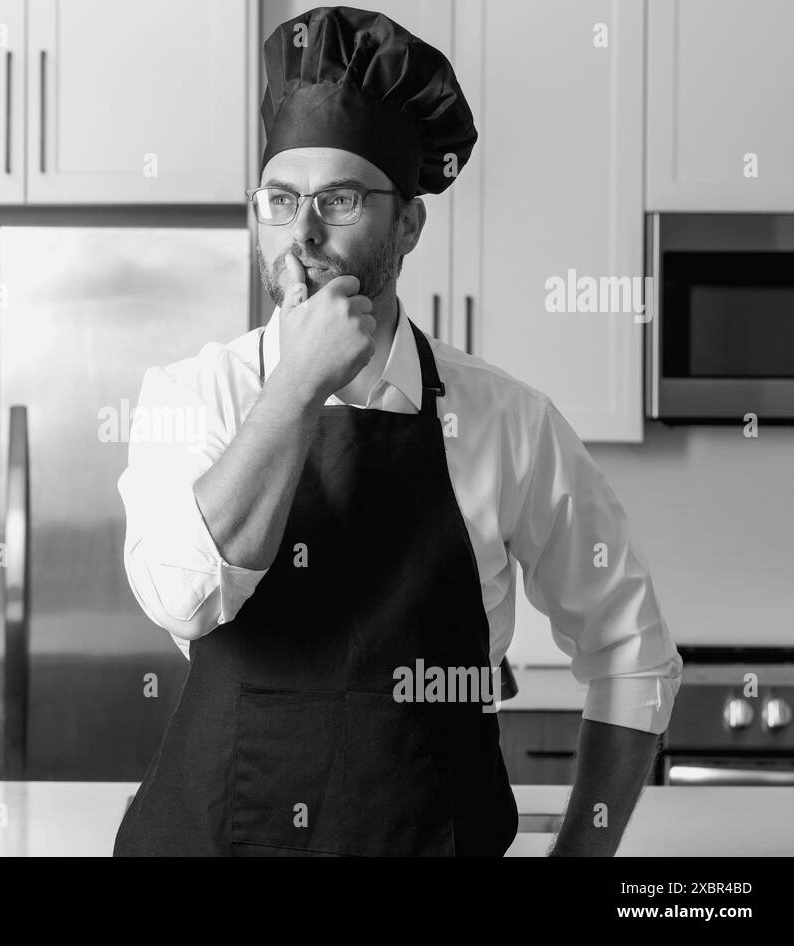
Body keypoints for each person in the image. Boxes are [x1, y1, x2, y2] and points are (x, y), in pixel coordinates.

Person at [112, 6, 682, 857]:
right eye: (279, 199)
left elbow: (631, 651)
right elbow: (185, 599)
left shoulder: (509, 424)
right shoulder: (193, 397)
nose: (302, 232)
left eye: (339, 199)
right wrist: (300, 383)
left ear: (408, 225)